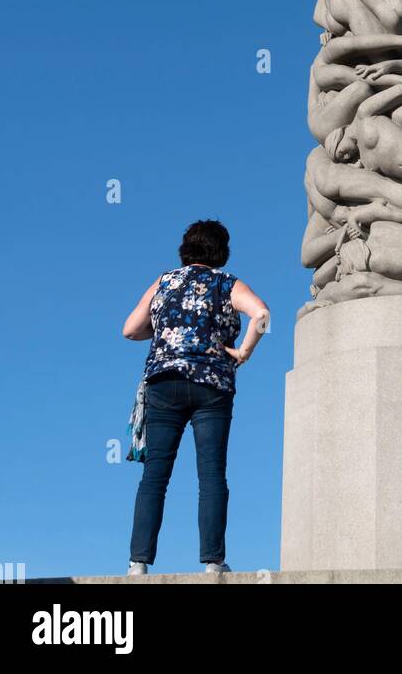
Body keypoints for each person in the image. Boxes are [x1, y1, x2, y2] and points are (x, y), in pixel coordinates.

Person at [122, 219, 269, 576]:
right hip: (212, 385)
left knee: (155, 476)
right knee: (212, 474)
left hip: (164, 383)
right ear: (221, 252)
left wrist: (168, 333)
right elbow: (262, 315)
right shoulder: (227, 283)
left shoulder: (164, 282)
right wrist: (243, 353)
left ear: (185, 250)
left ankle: (138, 564)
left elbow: (130, 330)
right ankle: (213, 563)